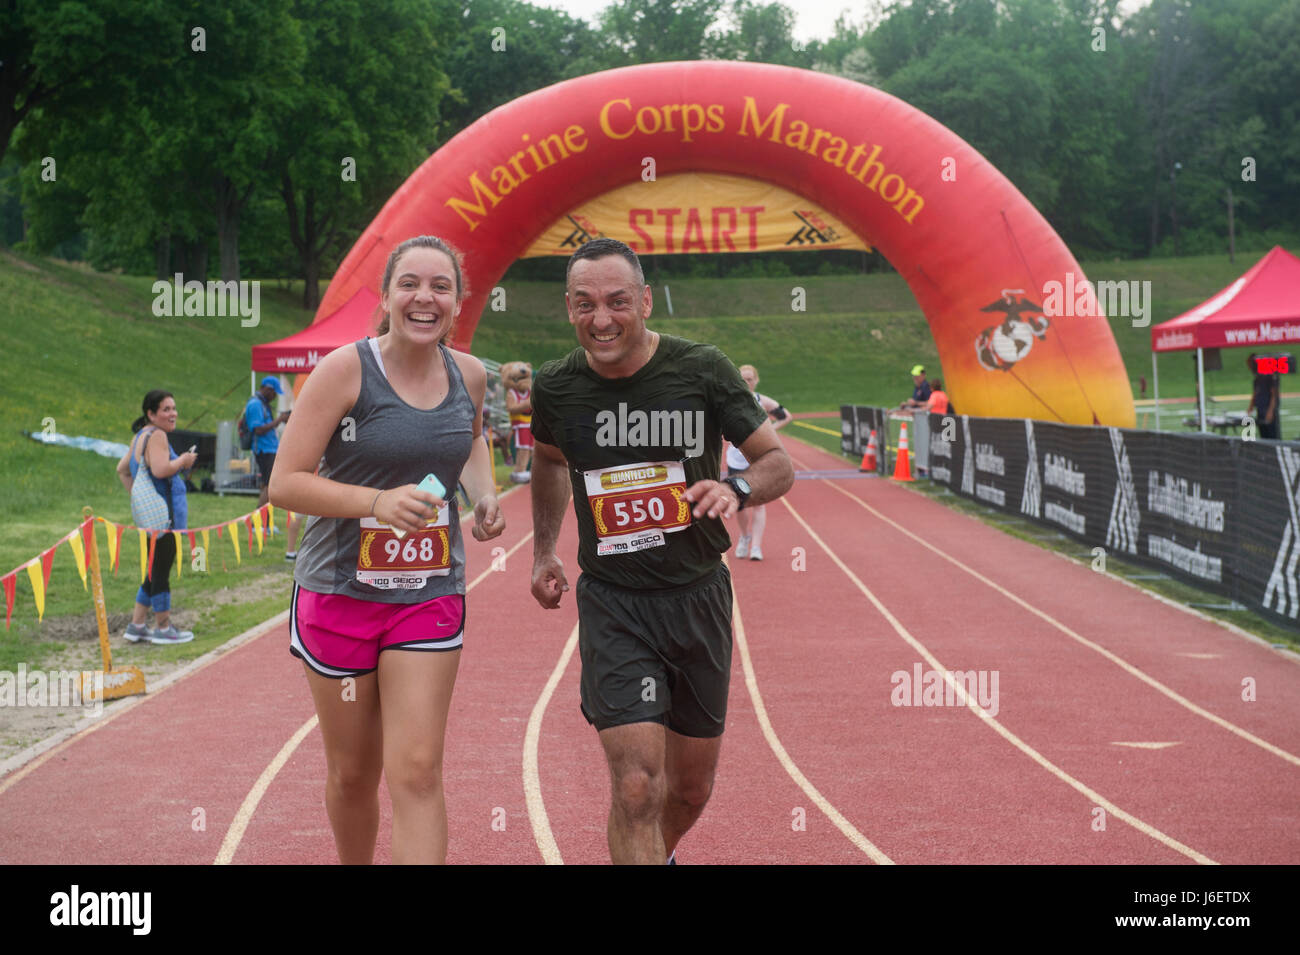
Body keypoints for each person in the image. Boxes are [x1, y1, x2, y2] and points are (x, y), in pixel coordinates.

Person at [529, 238, 795, 865]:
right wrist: (544, 550)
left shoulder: (702, 369)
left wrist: (734, 487)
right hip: (615, 605)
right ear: (568, 308)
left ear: (645, 301)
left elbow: (776, 463)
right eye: (585, 303)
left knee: (690, 788)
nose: (602, 319)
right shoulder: (557, 387)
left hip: (697, 596)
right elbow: (546, 458)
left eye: (618, 302)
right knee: (637, 784)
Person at [269, 235, 505, 865]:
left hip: (427, 595)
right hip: (340, 595)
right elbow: (284, 483)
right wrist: (376, 503)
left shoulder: (472, 375)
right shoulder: (345, 370)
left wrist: (482, 493)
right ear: (387, 296)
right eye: (410, 285)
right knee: (353, 774)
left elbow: (471, 437)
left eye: (440, 286)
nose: (424, 298)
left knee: (420, 770)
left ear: (458, 302)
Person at [115, 390, 198, 645]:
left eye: (174, 408)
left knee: (153, 569)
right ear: (151, 414)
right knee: (161, 570)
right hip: (165, 518)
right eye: (165, 409)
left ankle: (137, 625)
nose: (172, 413)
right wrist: (183, 461)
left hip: (150, 517)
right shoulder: (158, 435)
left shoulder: (141, 435)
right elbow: (162, 469)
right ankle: (163, 628)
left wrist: (139, 499)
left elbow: (122, 470)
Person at [724, 364, 792, 562]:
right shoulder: (732, 400)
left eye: (750, 379)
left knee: (759, 503)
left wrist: (770, 431)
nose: (746, 383)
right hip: (736, 459)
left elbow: (786, 416)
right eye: (742, 379)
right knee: (741, 504)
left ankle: (756, 546)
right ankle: (745, 537)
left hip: (759, 458)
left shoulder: (761, 400)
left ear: (756, 380)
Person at [245, 376, 290, 508]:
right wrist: (280, 419)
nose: (275, 396)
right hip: (264, 450)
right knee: (270, 486)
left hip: (269, 449)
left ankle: (263, 521)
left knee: (267, 484)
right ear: (268, 389)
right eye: (274, 392)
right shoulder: (255, 404)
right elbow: (258, 429)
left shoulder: (262, 403)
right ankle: (258, 523)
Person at [504, 361, 534, 483]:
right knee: (523, 449)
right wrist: (525, 404)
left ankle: (532, 471)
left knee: (533, 450)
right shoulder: (512, 393)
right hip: (520, 426)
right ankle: (519, 471)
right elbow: (511, 407)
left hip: (532, 425)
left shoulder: (530, 392)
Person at [1247, 354, 1280, 440]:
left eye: (1250, 365)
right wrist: (1250, 407)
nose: (1249, 368)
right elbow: (1255, 393)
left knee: (1271, 436)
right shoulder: (1257, 379)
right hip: (1260, 411)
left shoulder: (1269, 377)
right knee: (1264, 436)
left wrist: (1270, 411)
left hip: (1268, 410)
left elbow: (1274, 395)